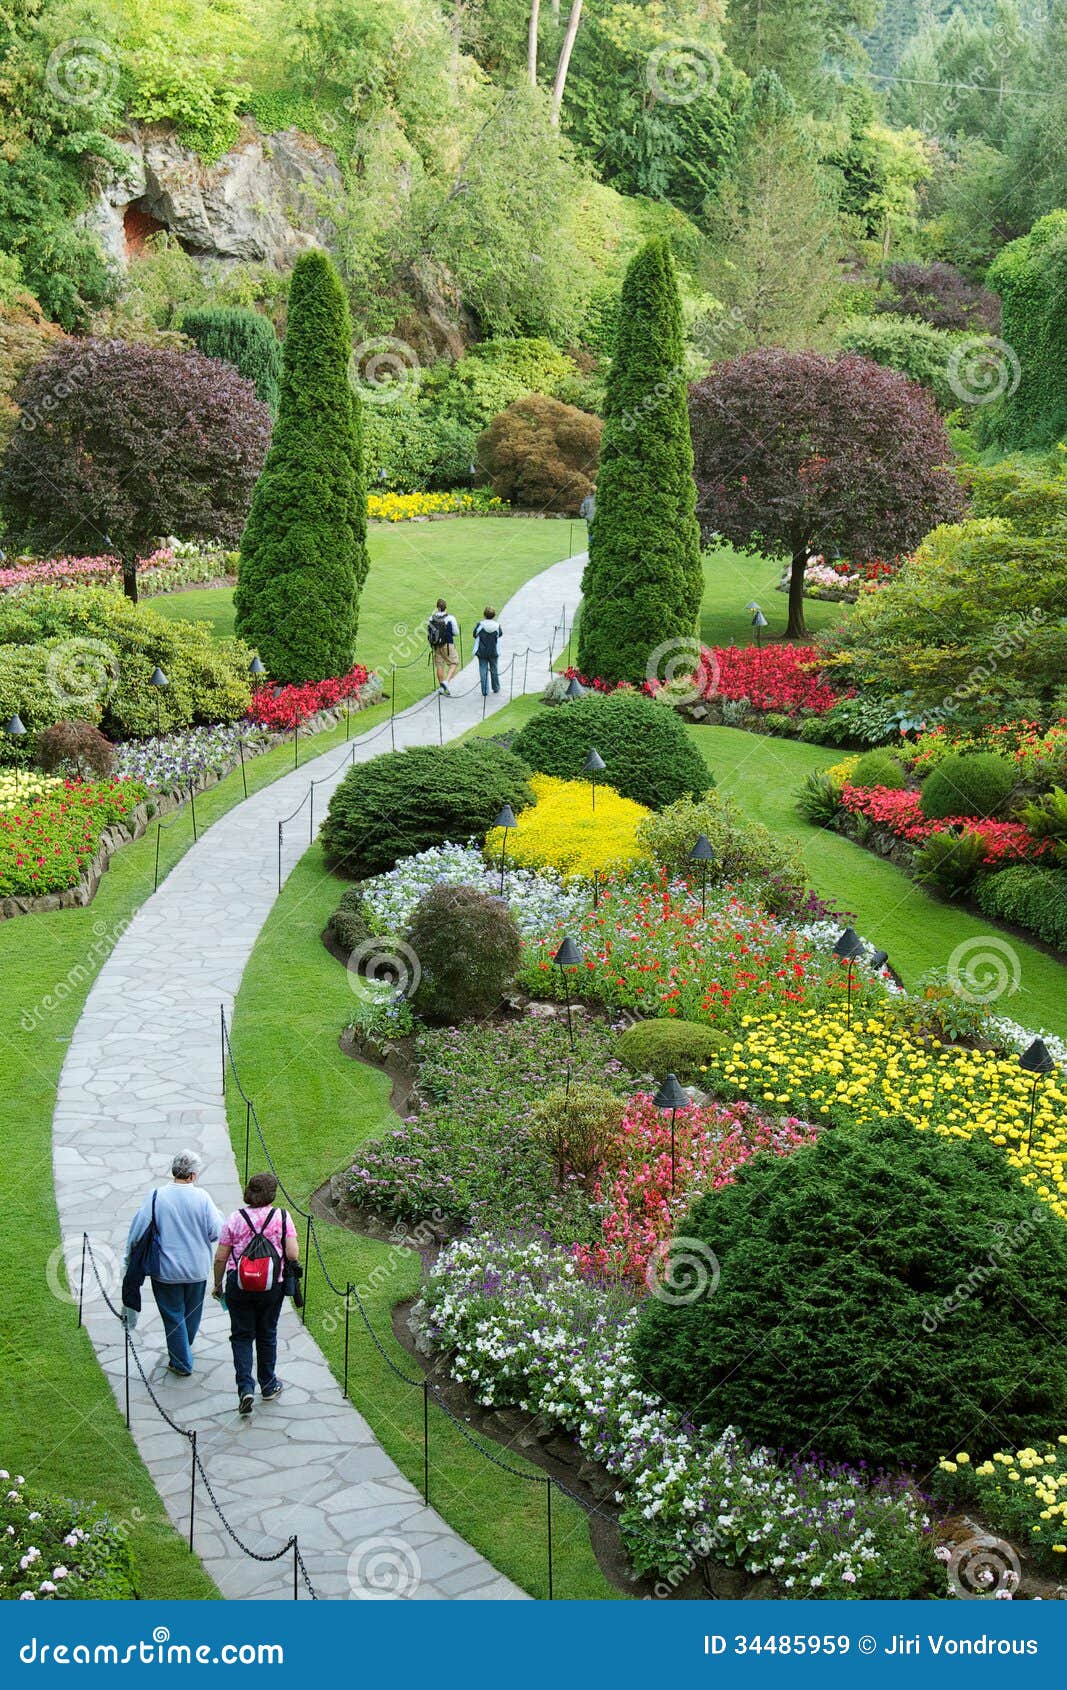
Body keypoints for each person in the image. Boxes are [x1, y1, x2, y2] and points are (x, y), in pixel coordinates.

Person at [125, 1151, 221, 1377]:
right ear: (193, 1175)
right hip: (196, 1268)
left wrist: (129, 1258)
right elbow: (216, 1232)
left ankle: (181, 1360)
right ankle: (183, 1352)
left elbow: (138, 1230)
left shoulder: (156, 1196)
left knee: (172, 1315)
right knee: (191, 1313)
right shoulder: (203, 1198)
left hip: (165, 1270)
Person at [213, 1172, 300, 1416]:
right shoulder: (282, 1217)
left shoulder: (235, 1219)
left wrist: (218, 1284)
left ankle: (245, 1388)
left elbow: (221, 1256)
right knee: (267, 1333)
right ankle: (269, 1384)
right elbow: (292, 1254)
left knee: (241, 1336)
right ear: (272, 1194)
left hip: (238, 1286)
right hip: (272, 1286)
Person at [427, 597, 460, 695]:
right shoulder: (450, 618)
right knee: (454, 663)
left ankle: (442, 687)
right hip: (448, 644)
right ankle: (446, 682)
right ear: (446, 607)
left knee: (440, 665)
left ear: (437, 607)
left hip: (436, 645)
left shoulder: (431, 618)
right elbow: (456, 632)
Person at [472, 605, 503, 697]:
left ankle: (485, 690)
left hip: (482, 651)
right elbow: (500, 634)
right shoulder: (497, 626)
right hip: (493, 651)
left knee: (483, 669)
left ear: (484, 614)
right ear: (494, 615)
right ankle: (496, 687)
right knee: (494, 669)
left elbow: (474, 634)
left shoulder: (480, 625)